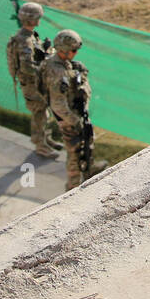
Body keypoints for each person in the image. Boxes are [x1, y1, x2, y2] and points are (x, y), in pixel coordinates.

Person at [5, 1, 59, 159]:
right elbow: (28, 67)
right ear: (33, 19)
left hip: (35, 83)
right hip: (32, 84)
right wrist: (46, 66)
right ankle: (40, 145)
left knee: (44, 112)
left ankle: (45, 139)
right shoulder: (25, 41)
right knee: (39, 113)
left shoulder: (29, 36)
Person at [42, 29, 93, 190]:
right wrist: (74, 121)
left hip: (74, 113)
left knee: (85, 144)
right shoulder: (57, 72)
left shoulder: (62, 63)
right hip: (69, 119)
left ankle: (88, 171)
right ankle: (73, 186)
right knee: (75, 152)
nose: (76, 53)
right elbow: (58, 105)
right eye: (73, 50)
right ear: (63, 50)